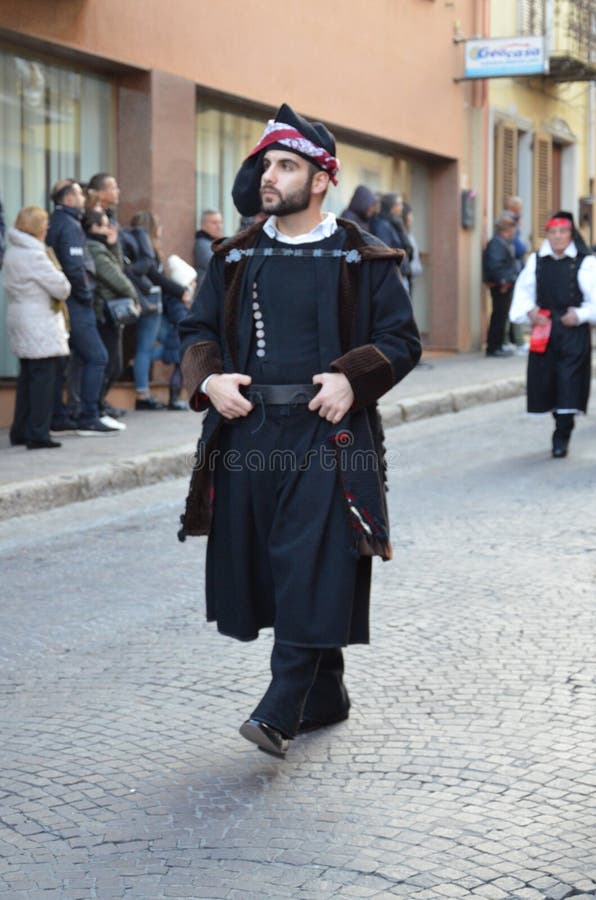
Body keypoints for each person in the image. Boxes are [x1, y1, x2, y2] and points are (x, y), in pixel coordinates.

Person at [178, 103, 421, 759]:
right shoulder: (234, 258)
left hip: (330, 437)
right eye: (266, 164)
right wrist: (211, 382)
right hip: (250, 437)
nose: (270, 175)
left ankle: (282, 706)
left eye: (286, 165)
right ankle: (327, 690)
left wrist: (352, 377)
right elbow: (198, 332)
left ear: (320, 179)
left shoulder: (363, 257)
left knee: (311, 558)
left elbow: (401, 340)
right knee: (269, 560)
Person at [510, 210, 596, 458]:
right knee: (547, 381)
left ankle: (562, 434)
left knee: (568, 381)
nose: (558, 237)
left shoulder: (586, 262)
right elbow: (523, 294)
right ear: (547, 234)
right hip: (544, 331)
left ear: (571, 234)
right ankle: (559, 419)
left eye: (563, 232)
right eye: (553, 232)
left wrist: (579, 315)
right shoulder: (536, 261)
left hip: (573, 333)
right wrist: (530, 312)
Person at [46, 179, 118, 435]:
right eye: (77, 193)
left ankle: (62, 416)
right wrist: (87, 295)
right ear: (66, 199)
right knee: (98, 358)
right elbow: (75, 269)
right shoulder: (68, 224)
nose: (82, 196)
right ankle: (88, 415)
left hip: (69, 303)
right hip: (76, 303)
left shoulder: (63, 222)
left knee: (66, 364)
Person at [3, 206, 71, 449]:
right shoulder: (35, 254)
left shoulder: (13, 252)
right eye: (44, 223)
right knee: (43, 380)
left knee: (27, 379)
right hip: (39, 319)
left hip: (21, 315)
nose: (47, 227)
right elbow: (61, 287)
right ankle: (38, 434)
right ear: (36, 227)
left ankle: (19, 431)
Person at [123, 211, 193, 409]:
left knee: (162, 343)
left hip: (150, 303)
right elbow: (157, 278)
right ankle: (142, 393)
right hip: (150, 303)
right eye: (158, 226)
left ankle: (137, 374)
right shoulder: (147, 252)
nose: (161, 230)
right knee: (146, 348)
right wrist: (182, 293)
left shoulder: (139, 249)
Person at [83, 208, 143, 429]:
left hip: (112, 312)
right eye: (106, 225)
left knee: (114, 364)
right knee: (108, 363)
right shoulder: (94, 248)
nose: (111, 228)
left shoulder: (103, 247)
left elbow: (119, 268)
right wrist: (134, 296)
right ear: (93, 227)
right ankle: (96, 409)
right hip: (105, 311)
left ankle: (100, 406)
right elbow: (116, 277)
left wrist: (115, 243)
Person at [482, 213, 518, 357]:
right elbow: (495, 265)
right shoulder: (497, 243)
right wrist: (502, 281)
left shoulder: (502, 242)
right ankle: (493, 346)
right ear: (507, 229)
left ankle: (498, 344)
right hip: (501, 286)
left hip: (505, 284)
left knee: (501, 316)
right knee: (498, 316)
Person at [369, 193, 413, 287]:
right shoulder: (383, 225)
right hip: (394, 277)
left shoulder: (394, 223)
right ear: (393, 206)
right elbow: (385, 252)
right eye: (400, 204)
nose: (402, 207)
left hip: (400, 275)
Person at [504, 195, 528, 353]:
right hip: (510, 271)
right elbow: (518, 247)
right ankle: (512, 340)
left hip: (513, 270)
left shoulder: (513, 219)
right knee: (509, 307)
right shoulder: (509, 220)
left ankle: (512, 340)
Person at [193, 210, 224, 290]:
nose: (219, 226)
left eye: (220, 222)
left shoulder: (215, 242)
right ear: (203, 225)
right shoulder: (202, 244)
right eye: (214, 223)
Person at [402, 201, 423, 299]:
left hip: (409, 278)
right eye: (410, 215)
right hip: (403, 279)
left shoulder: (408, 234)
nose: (412, 218)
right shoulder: (402, 235)